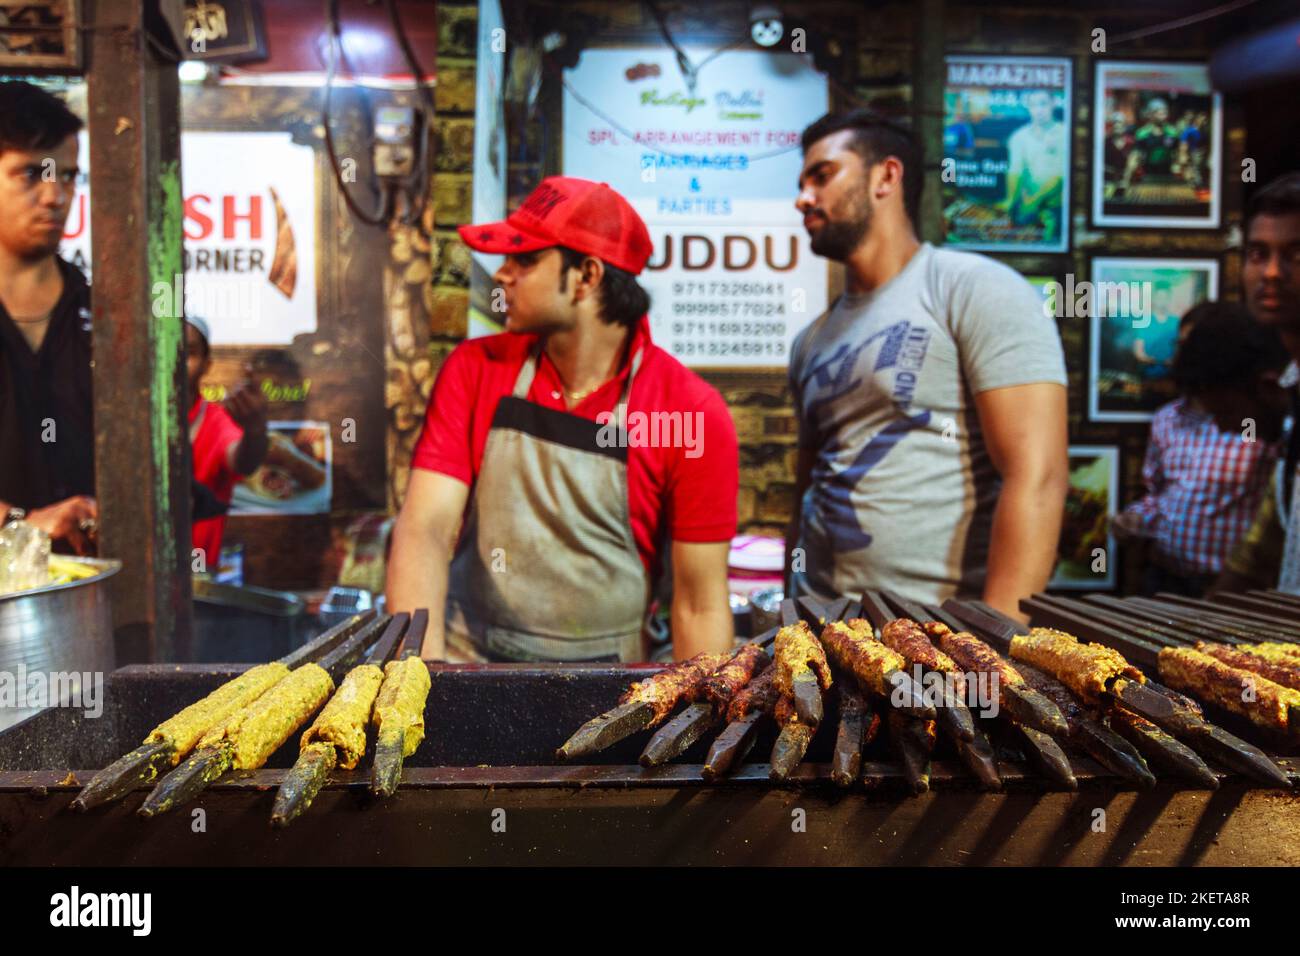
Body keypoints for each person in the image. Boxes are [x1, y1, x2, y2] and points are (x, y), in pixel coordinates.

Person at [386, 176, 739, 662]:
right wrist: (420, 680)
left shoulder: (690, 411)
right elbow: (424, 530)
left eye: (524, 259)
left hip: (615, 689)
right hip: (473, 666)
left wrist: (697, 725)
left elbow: (699, 605)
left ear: (587, 277)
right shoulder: (474, 370)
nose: (502, 274)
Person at [787, 108, 1068, 617]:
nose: (803, 198)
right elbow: (808, 487)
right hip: (824, 636)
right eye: (803, 183)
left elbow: (1038, 474)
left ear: (886, 177)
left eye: (822, 176)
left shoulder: (970, 287)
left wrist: (998, 647)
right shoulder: (811, 340)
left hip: (940, 640)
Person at [1115, 302, 1287, 596]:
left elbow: (1264, 541)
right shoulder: (1167, 418)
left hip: (1235, 588)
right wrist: (1135, 519)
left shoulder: (1274, 433)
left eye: (1228, 414)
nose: (1221, 425)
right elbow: (1159, 494)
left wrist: (1222, 595)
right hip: (1168, 579)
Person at [0, 80, 98, 553]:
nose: (55, 197)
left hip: (93, 602)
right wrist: (21, 524)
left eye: (67, 176)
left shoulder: (104, 317)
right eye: (30, 174)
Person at [1218, 173, 1300, 594]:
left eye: (1295, 255)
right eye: (1257, 253)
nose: (1270, 273)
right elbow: (1260, 550)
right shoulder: (1292, 393)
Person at [184, 316, 268, 571]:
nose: (175, 361)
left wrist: (255, 430)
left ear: (206, 364)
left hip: (198, 579)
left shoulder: (215, 420)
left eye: (187, 352)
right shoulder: (132, 422)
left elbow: (243, 460)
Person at [1000, 89, 1066, 242]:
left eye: (1043, 104)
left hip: (1058, 208)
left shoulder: (1065, 133)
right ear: (1028, 108)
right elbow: (1015, 172)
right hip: (1030, 208)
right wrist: (1010, 201)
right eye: (1034, 105)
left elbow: (1060, 177)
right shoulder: (1018, 137)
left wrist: (1034, 201)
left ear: (1053, 104)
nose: (1039, 110)